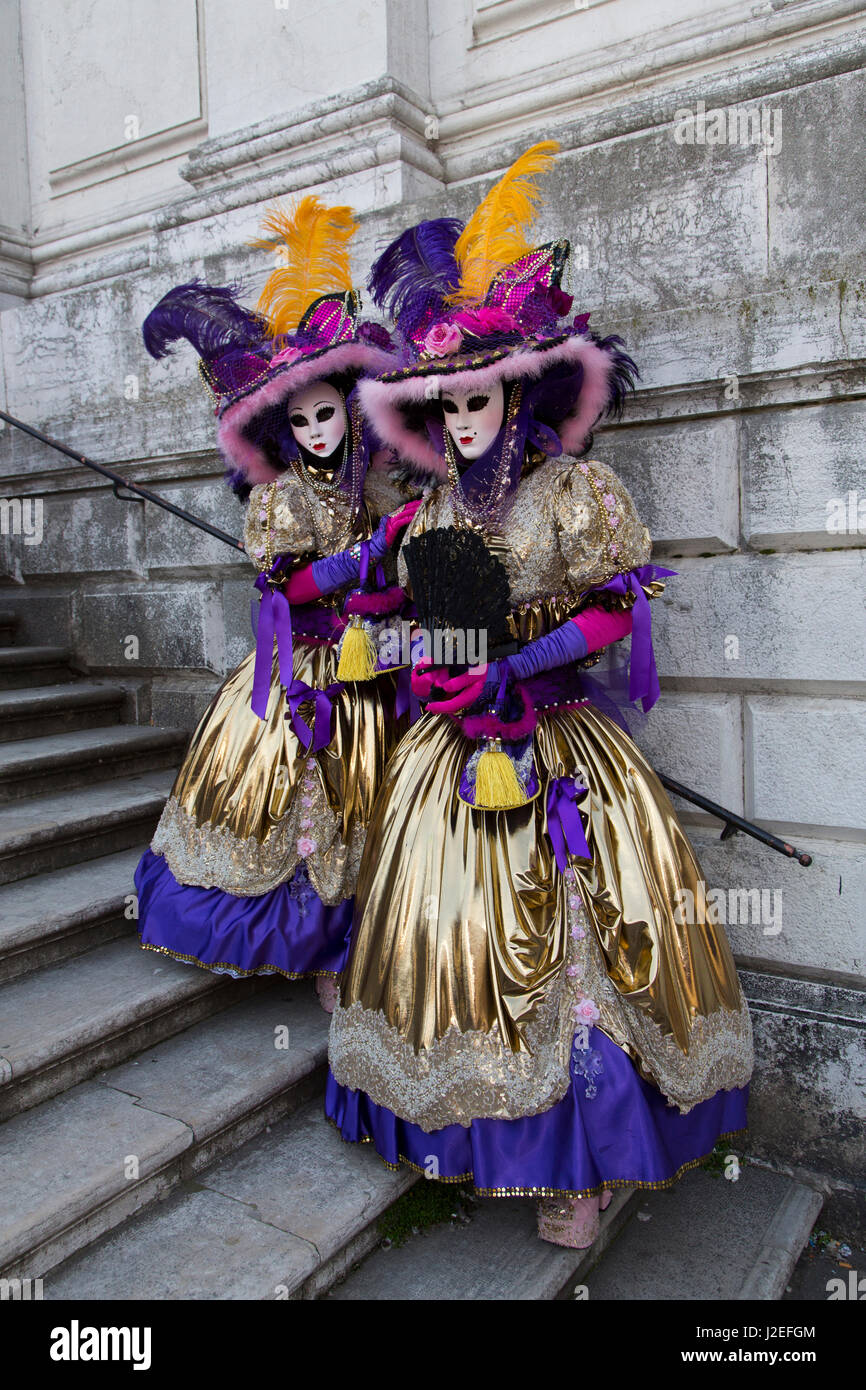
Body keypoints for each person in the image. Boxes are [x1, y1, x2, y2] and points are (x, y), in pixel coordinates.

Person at [326, 144, 753, 1245]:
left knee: (576, 940)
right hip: (448, 750)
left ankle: (583, 1171)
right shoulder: (428, 512)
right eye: (444, 403)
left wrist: (515, 666)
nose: (460, 421)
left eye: (476, 398)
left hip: (556, 737)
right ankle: (470, 1130)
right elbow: (410, 603)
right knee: (446, 936)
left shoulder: (576, 491)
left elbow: (616, 607)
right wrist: (423, 657)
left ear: (514, 391)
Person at [135, 197, 424, 1009]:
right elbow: (286, 588)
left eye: (327, 414)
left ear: (350, 412)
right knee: (299, 802)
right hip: (299, 672)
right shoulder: (281, 501)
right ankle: (302, 946)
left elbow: (383, 581)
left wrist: (396, 583)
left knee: (378, 806)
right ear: (282, 431)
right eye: (301, 421)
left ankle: (350, 950)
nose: (318, 431)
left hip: (373, 668)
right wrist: (360, 563)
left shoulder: (371, 493)